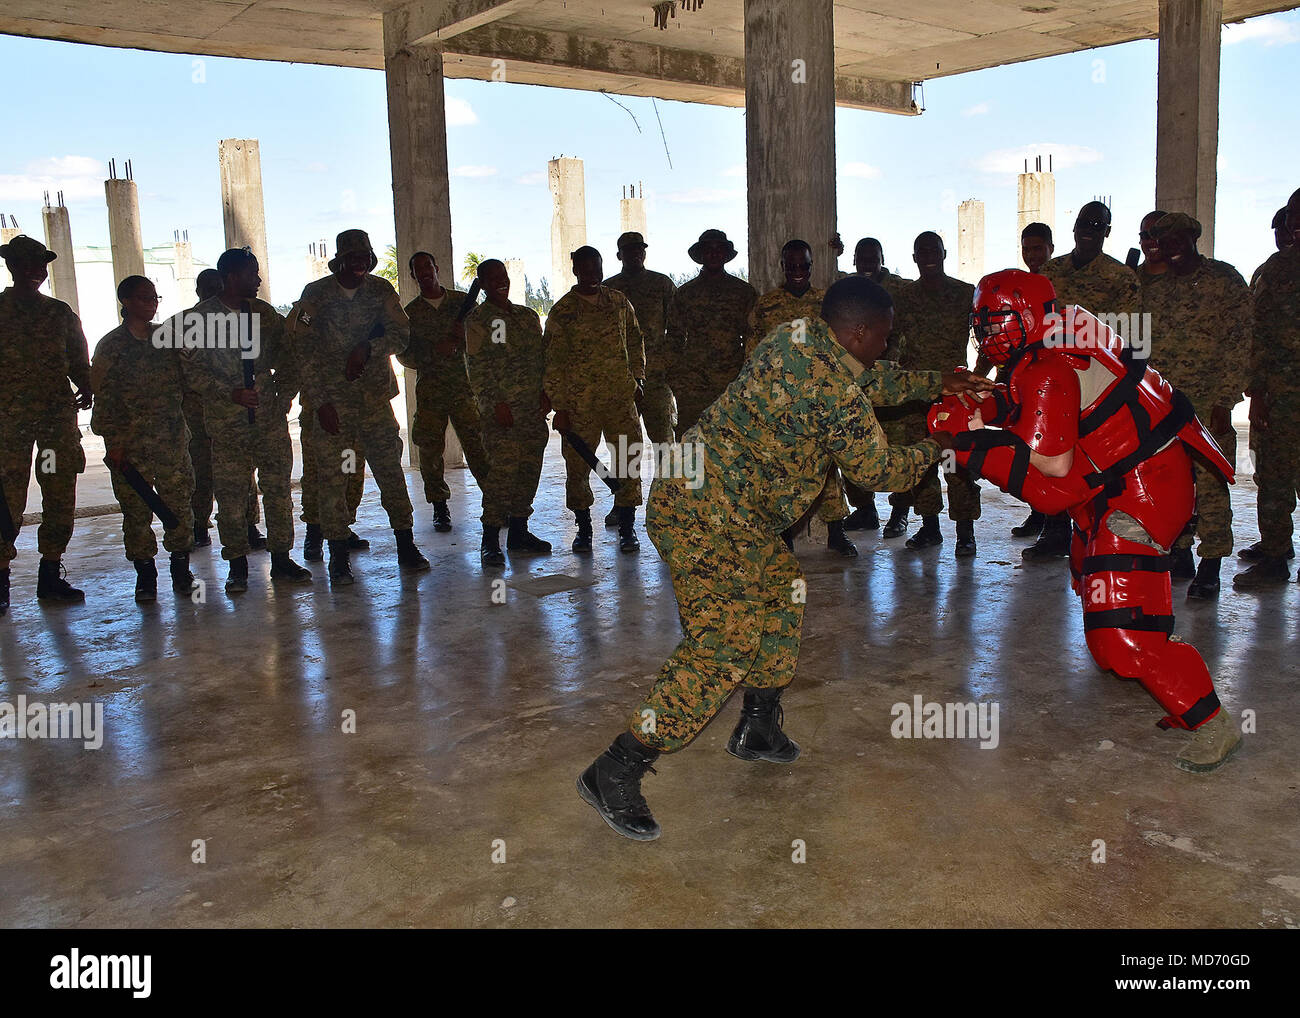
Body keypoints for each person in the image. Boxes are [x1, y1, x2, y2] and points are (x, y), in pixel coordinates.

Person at [575, 276, 992, 841]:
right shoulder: (833, 394)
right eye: (886, 338)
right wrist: (940, 446)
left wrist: (935, 381)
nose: (888, 348)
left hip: (724, 507)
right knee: (723, 644)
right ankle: (617, 766)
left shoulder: (793, 337)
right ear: (861, 332)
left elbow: (868, 378)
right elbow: (880, 472)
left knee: (782, 595)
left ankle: (758, 727)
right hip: (702, 515)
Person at [929, 268, 1240, 773]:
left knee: (1122, 638)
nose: (989, 333)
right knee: (1089, 577)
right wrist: (983, 410)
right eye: (982, 322)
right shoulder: (1057, 336)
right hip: (1121, 478)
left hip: (1140, 491)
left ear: (1028, 316)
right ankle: (1172, 675)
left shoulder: (1047, 364)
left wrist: (964, 445)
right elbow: (1036, 415)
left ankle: (1211, 722)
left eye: (999, 320)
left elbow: (1049, 474)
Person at [295, 229, 428, 585]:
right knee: (334, 480)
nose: (360, 265)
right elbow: (302, 350)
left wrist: (368, 348)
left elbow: (402, 334)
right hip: (333, 408)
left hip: (373, 405)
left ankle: (406, 544)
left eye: (365, 258)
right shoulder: (316, 295)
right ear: (339, 260)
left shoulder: (381, 291)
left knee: (391, 475)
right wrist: (319, 401)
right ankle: (338, 553)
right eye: (352, 259)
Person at [179, 248, 312, 592]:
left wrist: (282, 395)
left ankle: (281, 559)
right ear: (233, 276)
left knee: (278, 490)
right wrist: (229, 392)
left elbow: (291, 357)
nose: (259, 280)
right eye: (253, 274)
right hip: (226, 423)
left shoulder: (265, 315)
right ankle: (237, 565)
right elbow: (190, 372)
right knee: (232, 496)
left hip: (268, 419)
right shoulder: (199, 319)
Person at [1142, 213, 1251, 599]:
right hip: (1163, 402)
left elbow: (1241, 341)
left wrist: (1227, 398)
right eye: (1161, 238)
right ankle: (1182, 552)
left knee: (1210, 483)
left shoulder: (1223, 280)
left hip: (1208, 401)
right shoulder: (1150, 286)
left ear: (1192, 237)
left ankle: (1212, 563)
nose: (1169, 245)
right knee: (1172, 479)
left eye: (1176, 237)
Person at [1027, 202, 1140, 562]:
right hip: (1057, 382)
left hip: (1100, 386)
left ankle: (1096, 533)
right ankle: (1054, 531)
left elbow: (1133, 339)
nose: (1088, 229)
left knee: (1099, 463)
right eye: (1082, 223)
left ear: (1107, 231)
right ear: (1072, 228)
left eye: (1097, 224)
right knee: (1054, 456)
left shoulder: (1122, 278)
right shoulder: (1051, 272)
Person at [90, 276, 196, 602]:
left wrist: (188, 352)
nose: (151, 303)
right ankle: (146, 575)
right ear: (125, 301)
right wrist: (113, 443)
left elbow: (192, 379)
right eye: (143, 298)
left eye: (154, 297)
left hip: (171, 440)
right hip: (130, 446)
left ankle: (181, 568)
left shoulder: (167, 338)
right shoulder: (110, 346)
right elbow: (103, 399)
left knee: (178, 504)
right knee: (136, 511)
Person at [0, 235, 91, 614]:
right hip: (8, 424)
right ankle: (1, 576)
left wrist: (86, 385)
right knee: (7, 497)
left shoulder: (59, 313)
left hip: (53, 424)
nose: (36, 271)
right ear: (12, 267)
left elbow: (78, 358)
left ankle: (51, 572)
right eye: (28, 264)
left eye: (42, 265)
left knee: (56, 488)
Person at [750, 239, 855, 557]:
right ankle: (784, 537)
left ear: (812, 266)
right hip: (779, 403)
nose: (797, 271)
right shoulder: (766, 305)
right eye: (791, 265)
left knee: (827, 467)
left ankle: (836, 532)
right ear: (782, 266)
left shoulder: (827, 303)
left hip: (820, 401)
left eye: (804, 265)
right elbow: (753, 354)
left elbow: (842, 348)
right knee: (779, 470)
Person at [883, 232, 981, 557]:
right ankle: (930, 528)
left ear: (944, 253)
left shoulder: (965, 294)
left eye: (933, 250)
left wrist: (979, 374)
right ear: (914, 258)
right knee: (922, 465)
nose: (928, 256)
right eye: (921, 251)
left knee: (957, 463)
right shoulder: (903, 297)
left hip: (954, 397)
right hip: (915, 396)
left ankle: (965, 533)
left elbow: (985, 337)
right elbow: (891, 341)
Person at [545, 246, 645, 554]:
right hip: (579, 405)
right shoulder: (563, 310)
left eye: (596, 268)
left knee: (628, 461)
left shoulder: (618, 302)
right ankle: (584, 527)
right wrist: (559, 406)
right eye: (585, 269)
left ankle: (627, 527)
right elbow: (552, 361)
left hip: (619, 398)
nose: (592, 274)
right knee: (578, 467)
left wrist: (638, 378)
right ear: (575, 270)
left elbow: (635, 338)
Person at [464, 259, 551, 567]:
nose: (501, 282)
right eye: (493, 278)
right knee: (501, 475)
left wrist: (546, 393)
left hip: (531, 410)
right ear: (482, 284)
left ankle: (519, 533)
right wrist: (495, 404)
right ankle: (490, 540)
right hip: (501, 414)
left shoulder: (527, 317)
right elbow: (477, 369)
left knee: (529, 471)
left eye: (503, 276)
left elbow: (542, 359)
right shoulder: (477, 321)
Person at [397, 250, 490, 533]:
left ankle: (494, 502)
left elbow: (483, 338)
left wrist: (462, 338)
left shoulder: (462, 302)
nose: (425, 272)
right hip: (431, 392)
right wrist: (431, 352)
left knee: (479, 447)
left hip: (464, 388)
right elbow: (404, 354)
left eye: (429, 266)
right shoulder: (410, 314)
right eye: (418, 269)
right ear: (413, 276)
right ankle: (439, 506)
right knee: (429, 450)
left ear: (437, 267)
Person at [1234, 188, 1300, 589]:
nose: (1296, 222)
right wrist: (1256, 392)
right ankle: (1275, 556)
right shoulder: (1276, 270)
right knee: (1274, 480)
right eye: (1293, 214)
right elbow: (1255, 335)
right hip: (1280, 398)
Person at [976, 222, 1055, 538]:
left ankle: (1057, 526)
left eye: (1038, 248)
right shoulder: (1017, 286)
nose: (1032, 254)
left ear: (1051, 247)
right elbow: (994, 333)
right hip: (1014, 377)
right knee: (1028, 446)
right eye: (1027, 248)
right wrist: (980, 376)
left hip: (1048, 378)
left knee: (1050, 449)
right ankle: (1039, 513)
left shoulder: (1053, 283)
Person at [182, 268, 263, 550]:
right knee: (200, 472)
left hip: (234, 414)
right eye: (207, 290)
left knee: (241, 472)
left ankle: (249, 526)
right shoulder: (186, 324)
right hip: (197, 416)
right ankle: (199, 524)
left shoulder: (244, 318)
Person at [842, 237, 907, 532]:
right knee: (851, 446)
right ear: (854, 260)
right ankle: (865, 510)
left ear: (883, 258)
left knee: (896, 447)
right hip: (856, 381)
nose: (868, 263)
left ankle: (900, 513)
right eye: (862, 258)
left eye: (873, 258)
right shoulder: (849, 288)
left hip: (890, 380)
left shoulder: (899, 289)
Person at [666, 230, 756, 436]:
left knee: (734, 438)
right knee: (691, 441)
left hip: (732, 379)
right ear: (701, 255)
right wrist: (675, 379)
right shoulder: (685, 293)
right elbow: (674, 337)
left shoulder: (743, 292)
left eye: (719, 250)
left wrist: (749, 376)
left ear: (726, 255)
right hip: (692, 383)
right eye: (709, 250)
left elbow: (754, 336)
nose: (714, 255)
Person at [603, 231, 677, 451]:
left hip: (657, 378)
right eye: (629, 251)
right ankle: (627, 487)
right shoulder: (608, 290)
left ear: (644, 253)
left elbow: (677, 327)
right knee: (624, 446)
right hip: (621, 380)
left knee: (664, 442)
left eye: (639, 250)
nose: (635, 254)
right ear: (619, 255)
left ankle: (667, 485)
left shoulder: (661, 284)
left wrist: (668, 362)